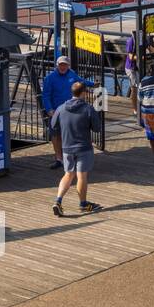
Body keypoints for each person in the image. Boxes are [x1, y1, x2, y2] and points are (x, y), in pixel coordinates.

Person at [49, 81, 104, 216]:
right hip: (83, 147)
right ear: (84, 93)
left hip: (67, 147)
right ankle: (83, 204)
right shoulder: (88, 108)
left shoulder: (61, 108)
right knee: (81, 176)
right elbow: (97, 128)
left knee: (68, 174)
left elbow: (53, 126)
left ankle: (58, 201)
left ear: (72, 92)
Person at [40, 55, 91, 170]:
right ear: (57, 65)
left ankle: (71, 157)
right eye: (61, 65)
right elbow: (46, 96)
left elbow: (81, 81)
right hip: (56, 111)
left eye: (65, 65)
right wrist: (49, 110)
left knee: (71, 134)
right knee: (55, 135)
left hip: (71, 110)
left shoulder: (71, 74)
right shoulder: (49, 78)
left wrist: (93, 84)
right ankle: (59, 159)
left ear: (68, 66)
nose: (63, 67)